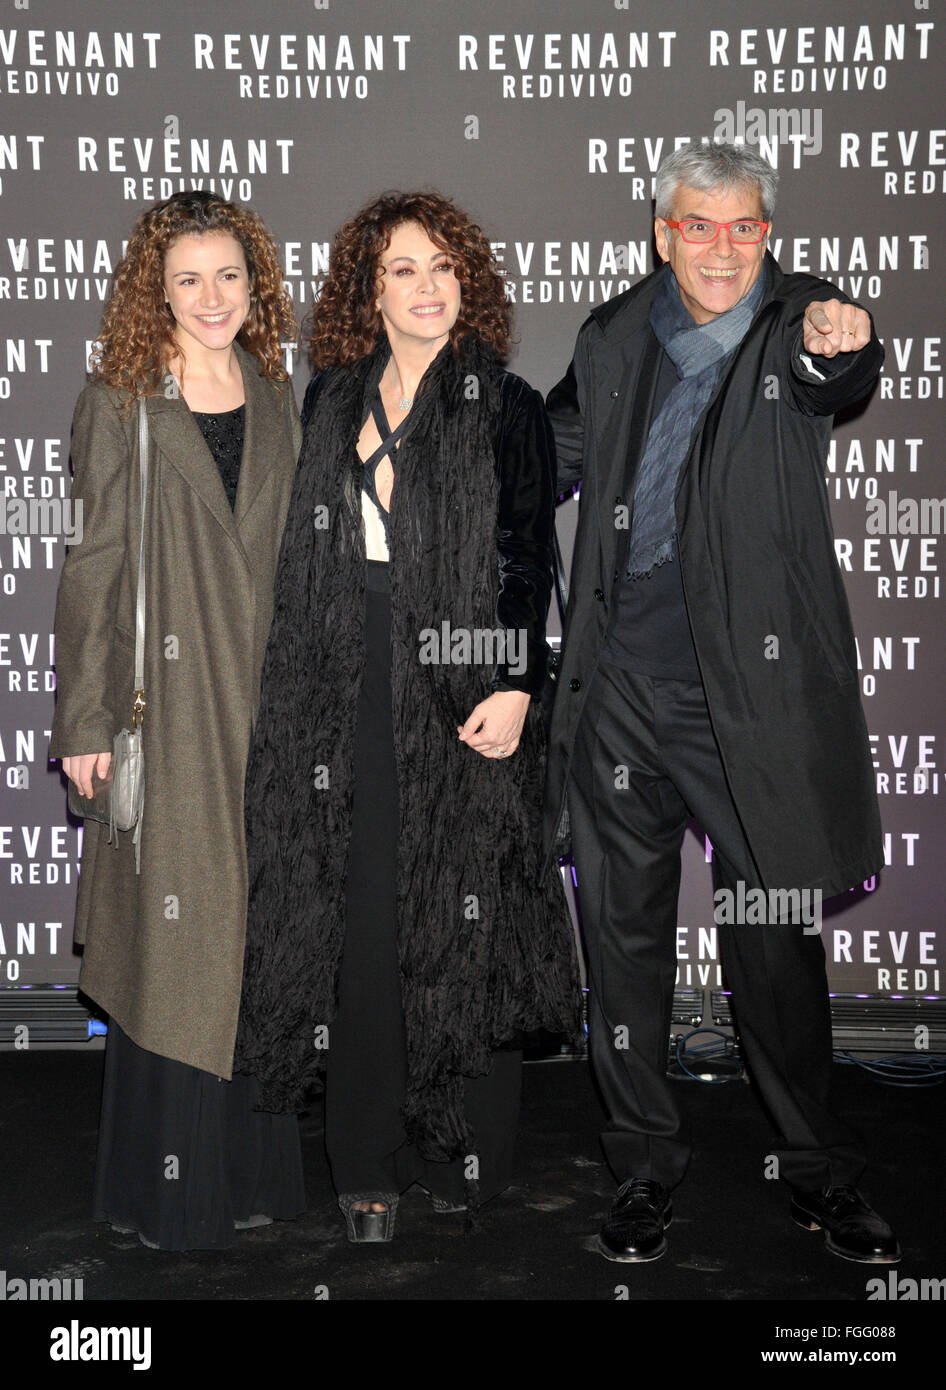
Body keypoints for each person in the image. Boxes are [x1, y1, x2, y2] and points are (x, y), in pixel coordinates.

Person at [543, 142, 900, 1265]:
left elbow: (833, 369)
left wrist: (845, 343)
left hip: (747, 705)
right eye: (698, 225)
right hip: (621, 697)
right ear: (664, 234)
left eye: (744, 226)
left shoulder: (797, 321)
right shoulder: (610, 338)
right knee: (624, 945)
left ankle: (813, 1172)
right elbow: (539, 453)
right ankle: (642, 1166)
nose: (721, 248)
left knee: (772, 949)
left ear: (767, 236)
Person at [233, 190, 581, 1241]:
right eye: (402, 269)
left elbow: (527, 552)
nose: (427, 286)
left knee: (464, 904)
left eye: (443, 266)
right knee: (368, 915)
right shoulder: (330, 400)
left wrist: (515, 683)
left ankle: (464, 1142)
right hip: (346, 678)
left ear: (464, 281)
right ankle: (365, 1152)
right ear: (367, 291)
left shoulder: (506, 403)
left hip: (466, 677)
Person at [50, 191, 305, 1250]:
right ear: (154, 290)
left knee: (261, 939)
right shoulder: (120, 400)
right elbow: (95, 569)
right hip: (174, 713)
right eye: (188, 278)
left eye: (229, 275)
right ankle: (170, 1195)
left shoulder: (280, 393)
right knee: (177, 949)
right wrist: (85, 721)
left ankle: (250, 1180)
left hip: (274, 711)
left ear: (257, 285)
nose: (212, 297)